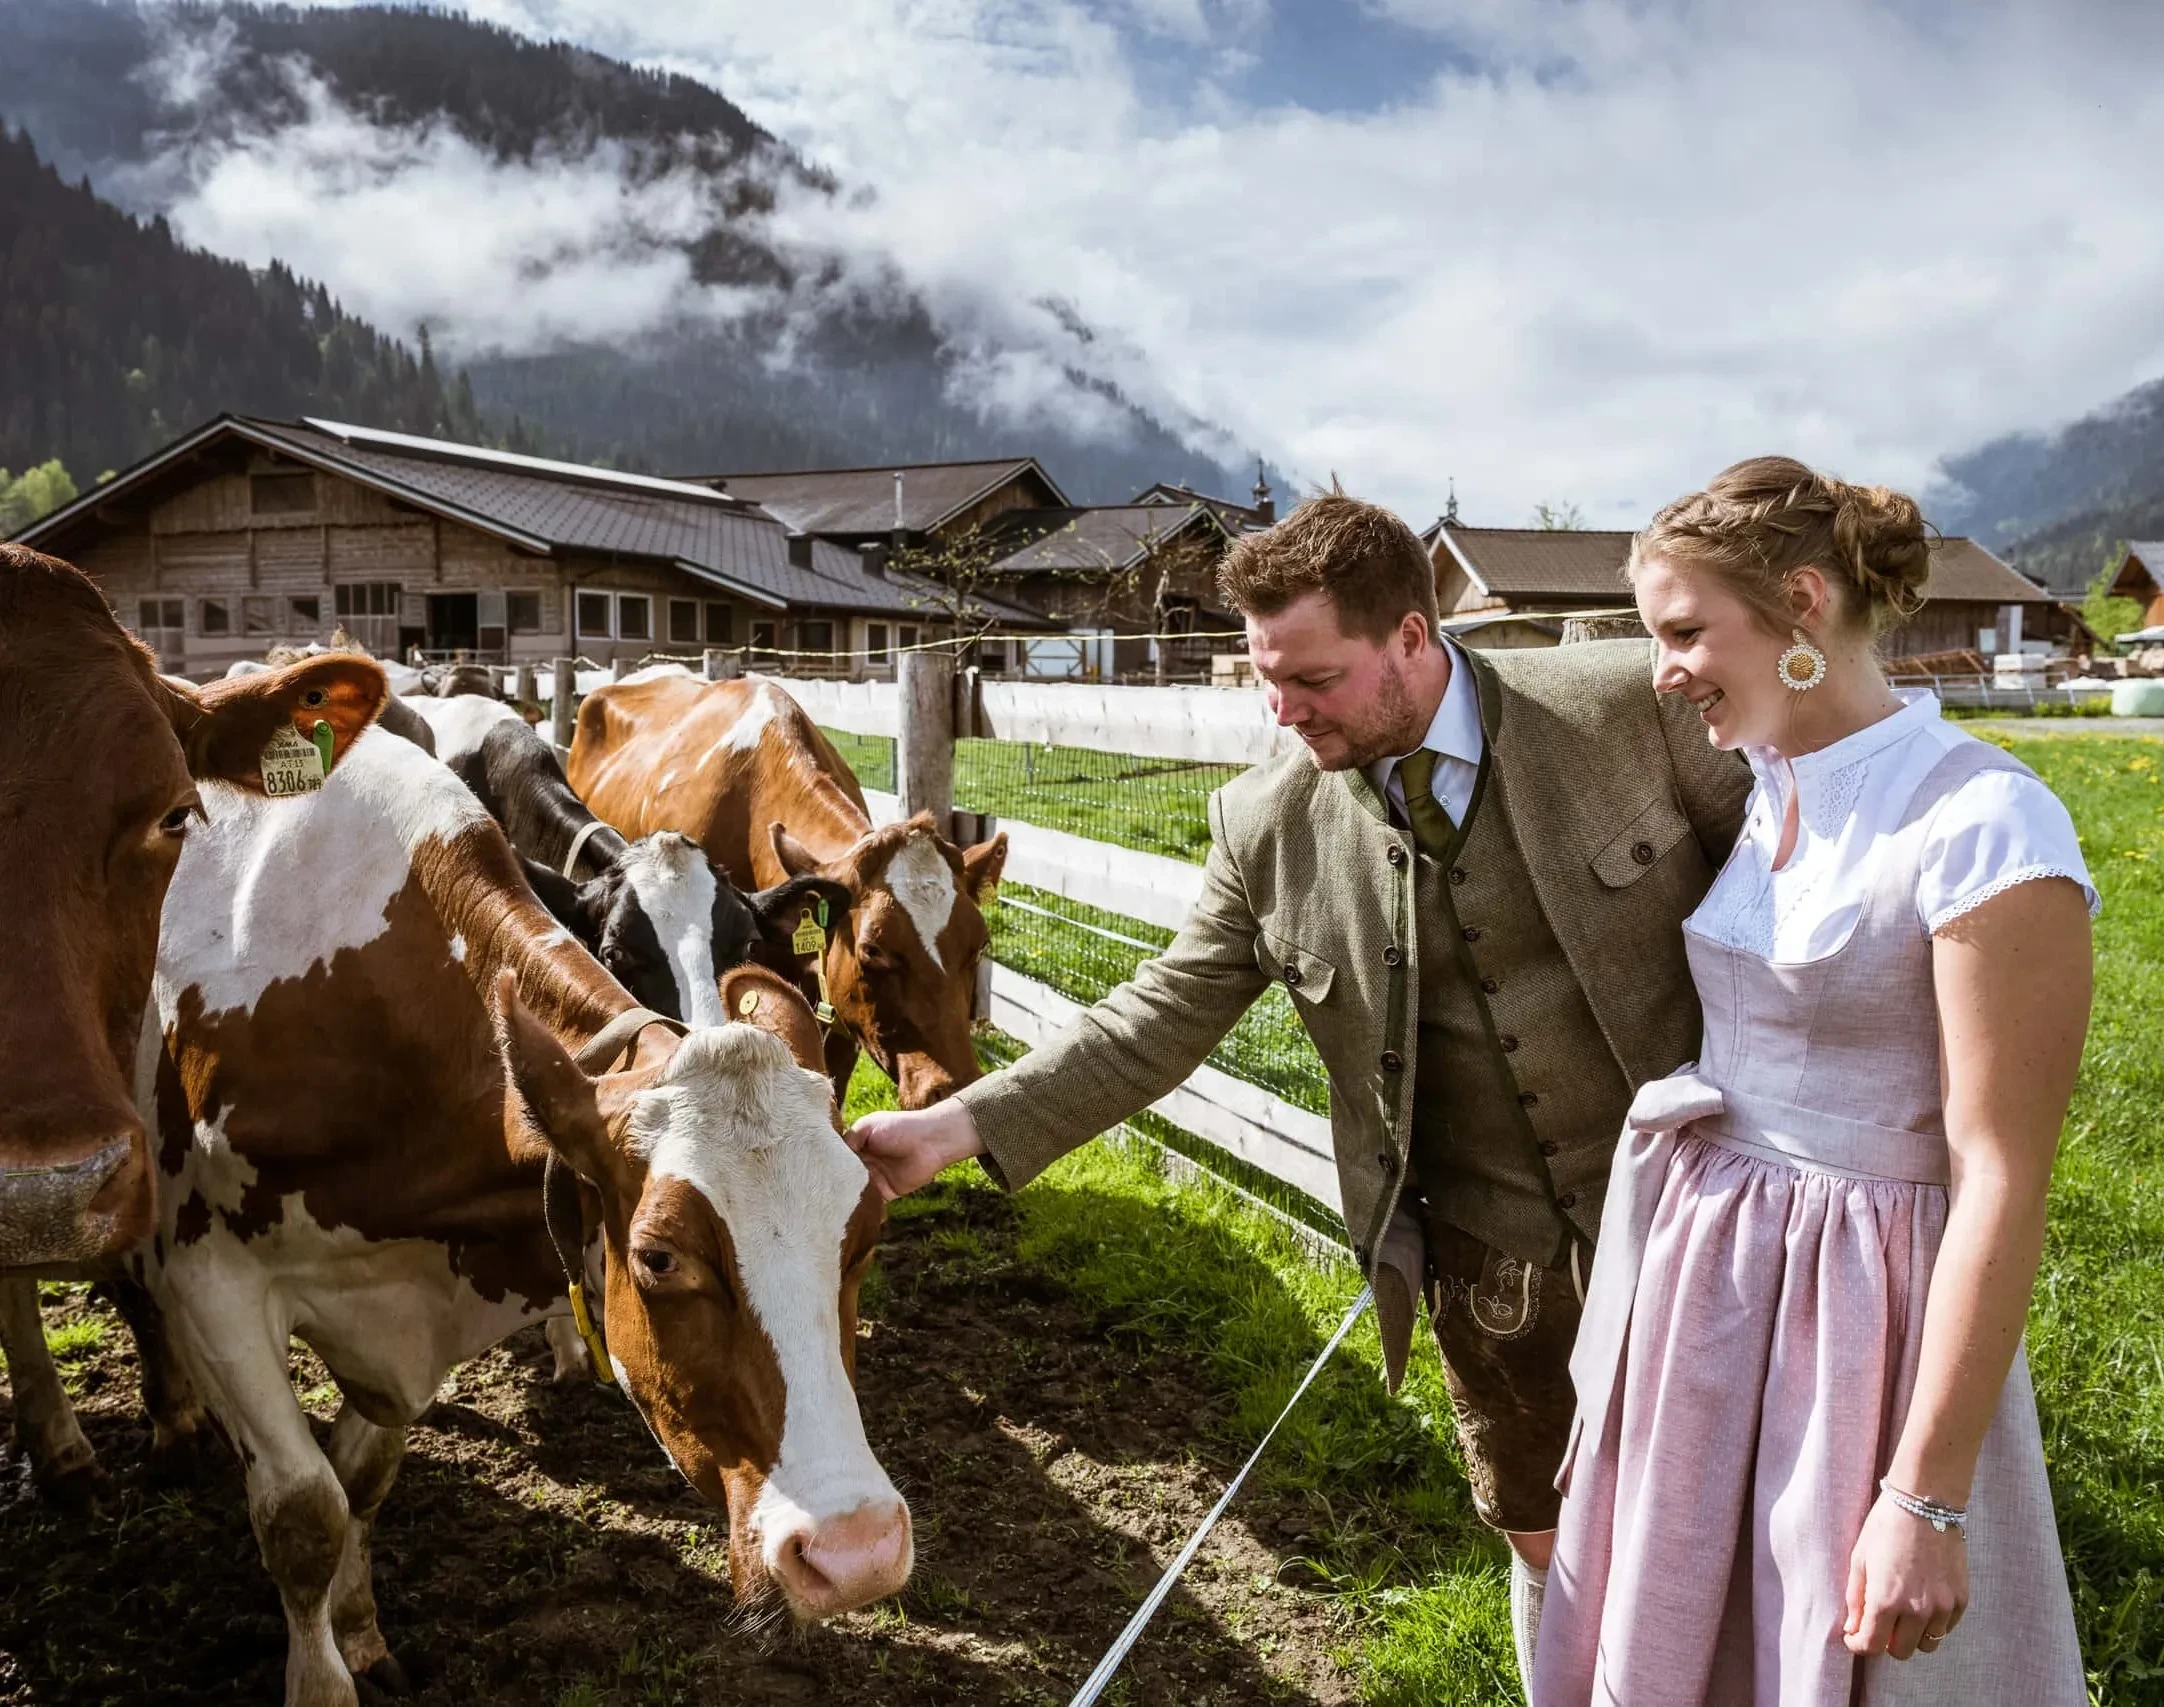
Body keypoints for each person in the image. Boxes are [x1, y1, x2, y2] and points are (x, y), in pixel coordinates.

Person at [849, 490, 1751, 1688]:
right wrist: (946, 1133)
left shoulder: (1634, 709)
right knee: (1546, 1536)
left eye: (1314, 679)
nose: (1282, 711)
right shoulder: (1262, 823)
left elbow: (1808, 888)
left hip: (1718, 1216)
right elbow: (1152, 1022)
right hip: (1494, 1259)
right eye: (1265, 675)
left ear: (1413, 640)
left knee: (1739, 1518)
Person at [1530, 458, 2094, 1706]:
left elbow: (1999, 1177)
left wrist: (1923, 1497)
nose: (1663, 671)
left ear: (1799, 601)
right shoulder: (1768, 789)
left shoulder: (1983, 823)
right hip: (1709, 1288)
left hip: (1857, 1315)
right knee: (1690, 1630)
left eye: (1683, 631)